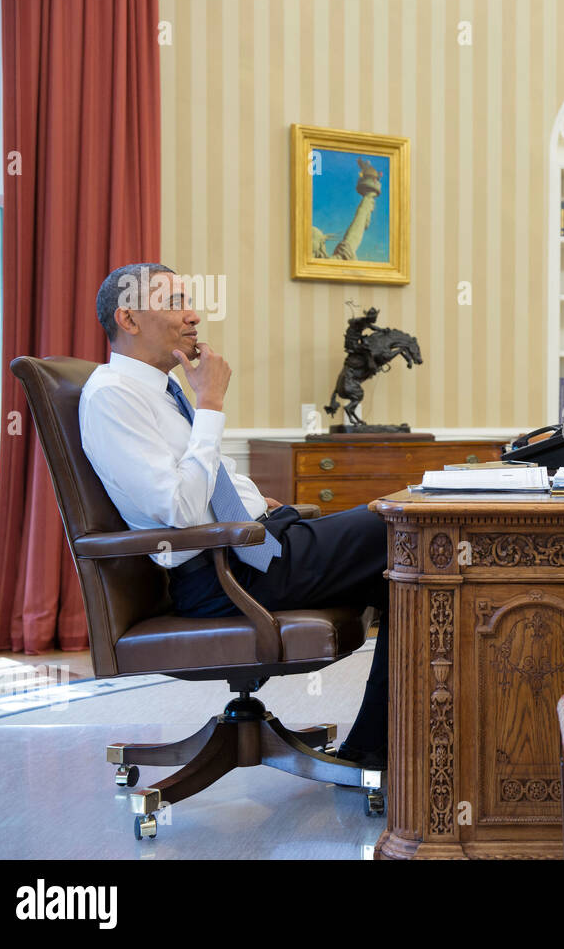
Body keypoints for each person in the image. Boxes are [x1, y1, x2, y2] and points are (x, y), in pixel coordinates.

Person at [78, 263, 388, 769]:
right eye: (175, 303)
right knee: (394, 527)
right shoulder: (114, 395)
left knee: (400, 572)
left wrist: (249, 499)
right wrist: (212, 403)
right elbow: (177, 511)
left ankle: (377, 748)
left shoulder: (158, 391)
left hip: (252, 547)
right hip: (224, 574)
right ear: (128, 319)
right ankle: (377, 750)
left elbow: (197, 485)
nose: (194, 315)